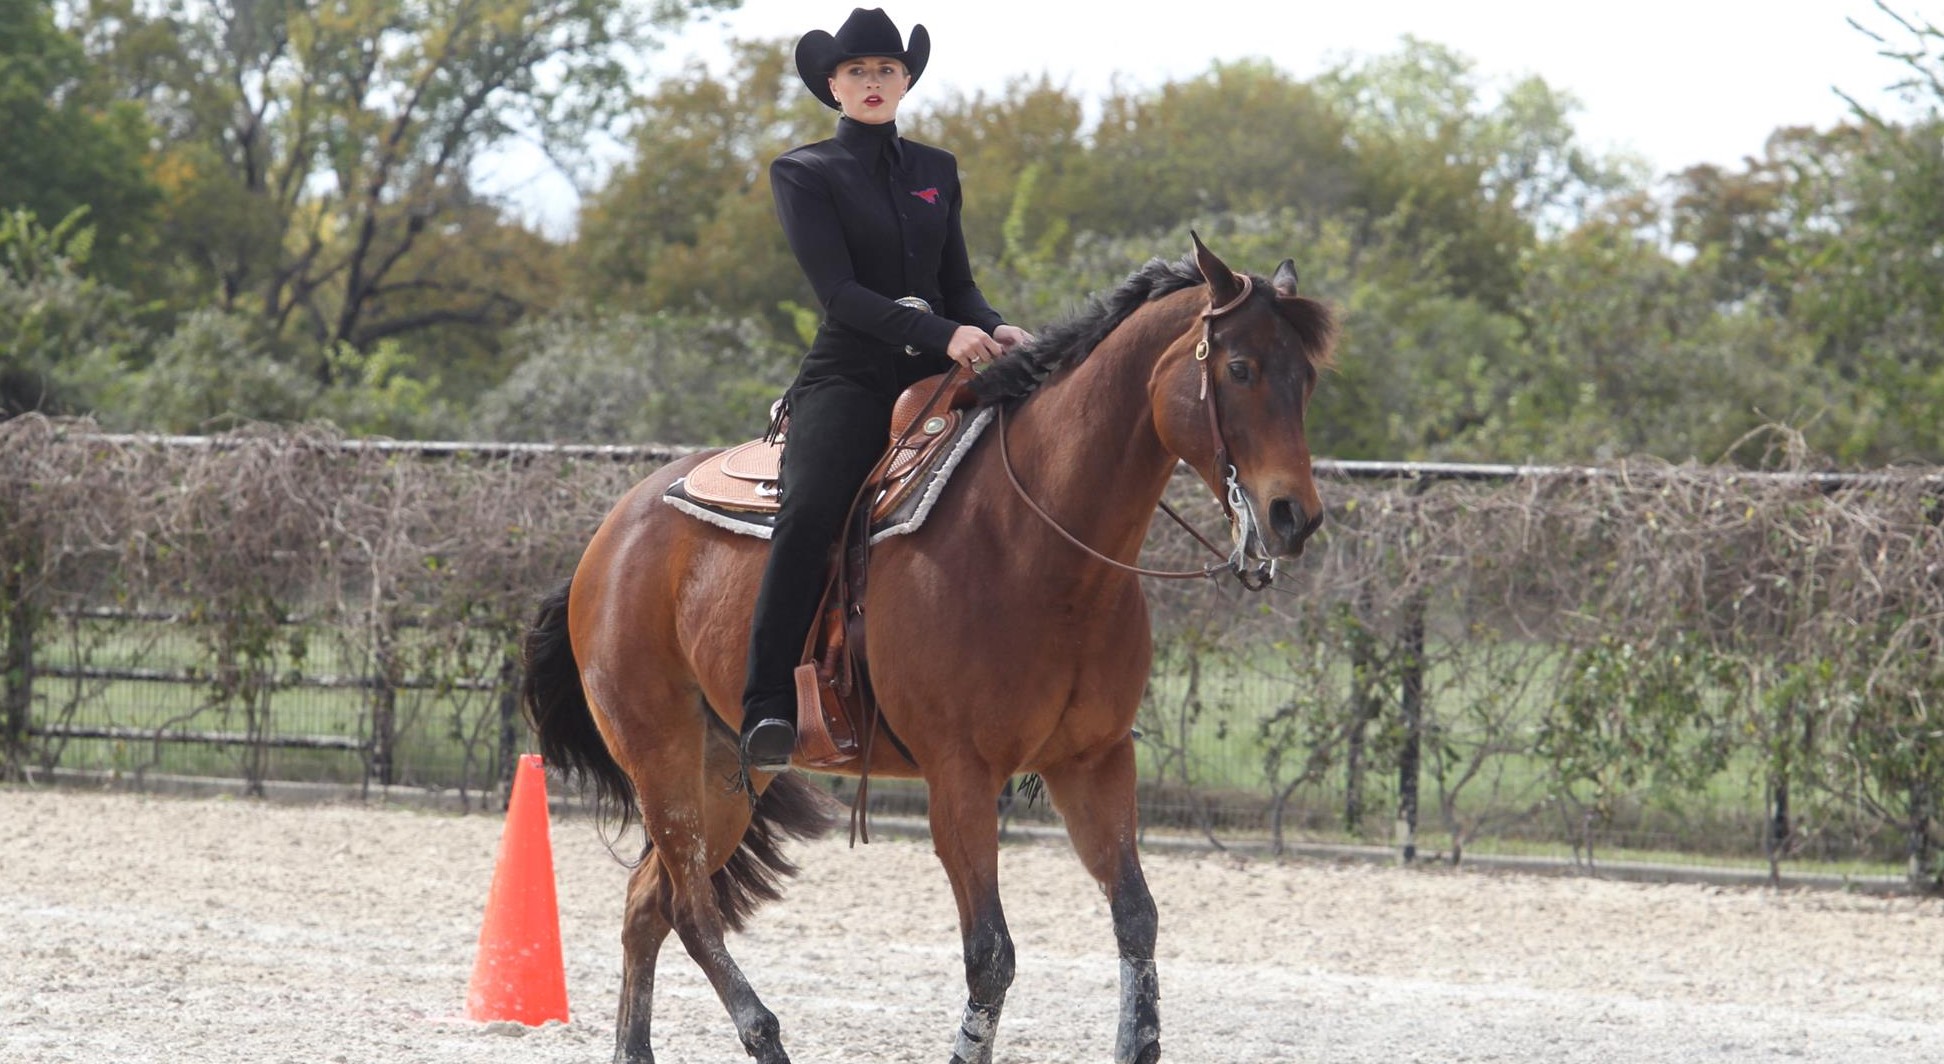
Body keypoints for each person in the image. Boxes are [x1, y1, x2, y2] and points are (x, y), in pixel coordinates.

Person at [740, 7, 1032, 772]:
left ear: (906, 81)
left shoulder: (938, 170)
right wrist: (944, 335)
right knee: (809, 512)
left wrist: (998, 329)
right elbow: (838, 293)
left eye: (886, 71)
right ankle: (766, 702)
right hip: (851, 373)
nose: (873, 83)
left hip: (938, 375)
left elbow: (957, 286)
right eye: (857, 72)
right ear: (832, 86)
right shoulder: (803, 173)